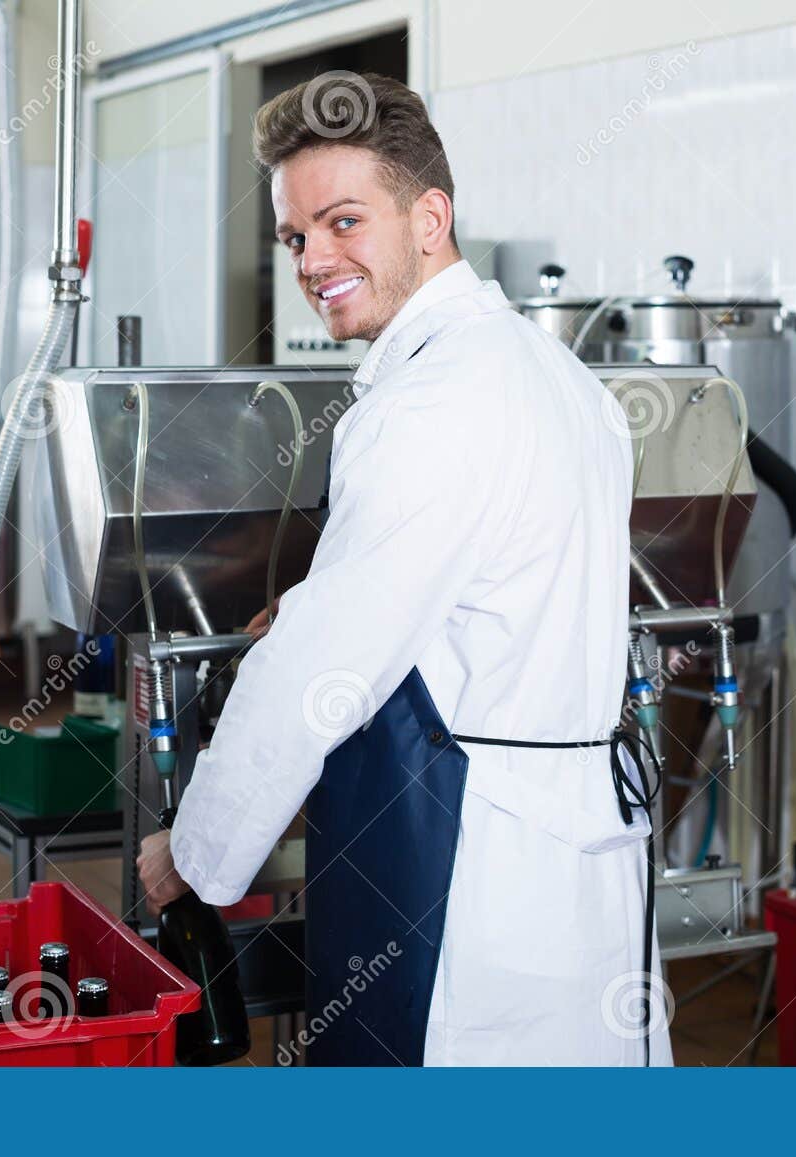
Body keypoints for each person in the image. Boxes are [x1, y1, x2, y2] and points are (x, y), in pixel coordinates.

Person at [137, 72, 670, 1066]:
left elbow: (316, 673)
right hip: (576, 855)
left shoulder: (428, 402)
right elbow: (486, 585)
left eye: (343, 221)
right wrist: (320, 600)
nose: (313, 258)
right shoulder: (552, 374)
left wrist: (196, 850)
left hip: (465, 867)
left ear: (429, 217)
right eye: (296, 236)